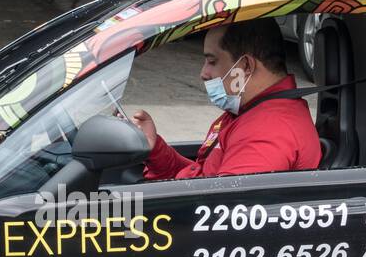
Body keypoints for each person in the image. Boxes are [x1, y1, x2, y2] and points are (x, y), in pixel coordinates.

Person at [132, 18, 321, 180]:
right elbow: (202, 178)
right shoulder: (249, 111)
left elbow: (219, 209)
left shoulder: (266, 130)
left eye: (212, 61)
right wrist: (155, 148)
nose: (204, 73)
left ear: (246, 66)